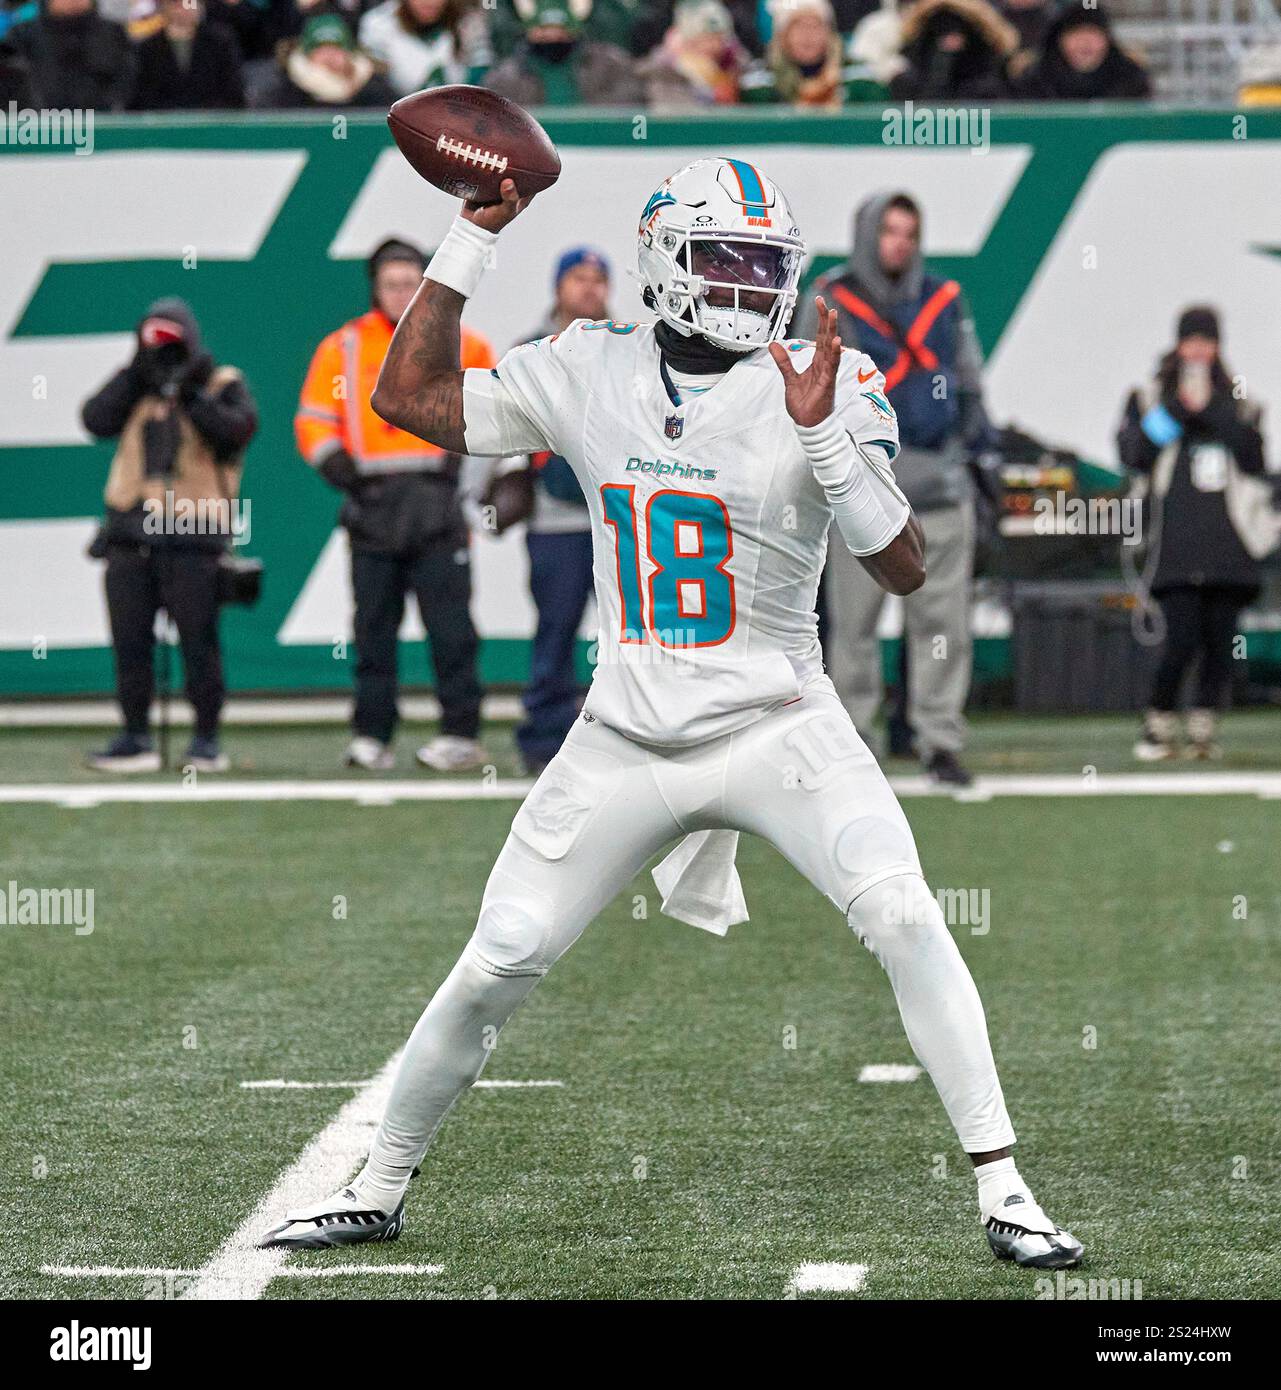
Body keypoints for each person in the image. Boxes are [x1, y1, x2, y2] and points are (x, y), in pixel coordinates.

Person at [261, 158, 1083, 1273]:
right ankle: (379, 1181)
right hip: (626, 731)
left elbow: (899, 563)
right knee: (500, 952)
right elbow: (409, 402)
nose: (753, 285)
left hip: (777, 717)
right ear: (664, 262)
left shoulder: (824, 376)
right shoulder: (588, 366)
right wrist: (469, 239)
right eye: (728, 259)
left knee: (899, 911)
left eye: (768, 264)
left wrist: (826, 435)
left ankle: (1006, 1185)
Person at [798, 192, 991, 786]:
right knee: (851, 629)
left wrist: (974, 457)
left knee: (944, 629)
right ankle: (857, 740)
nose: (900, 243)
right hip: (861, 490)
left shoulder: (944, 299)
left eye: (910, 232)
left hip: (938, 488)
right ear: (867, 234)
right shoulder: (832, 300)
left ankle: (939, 740)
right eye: (889, 231)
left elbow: (969, 388)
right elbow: (807, 390)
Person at [296, 239, 496, 772]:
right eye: (391, 284)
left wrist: (463, 466)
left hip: (438, 510)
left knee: (453, 632)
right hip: (374, 509)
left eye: (411, 283)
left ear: (425, 286)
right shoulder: (342, 348)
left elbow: (498, 411)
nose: (401, 292)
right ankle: (371, 736)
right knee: (373, 634)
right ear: (375, 288)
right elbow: (313, 418)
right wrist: (338, 468)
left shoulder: (463, 343)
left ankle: (460, 734)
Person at [82, 299, 257, 773]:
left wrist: (189, 389)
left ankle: (205, 738)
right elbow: (94, 420)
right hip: (130, 535)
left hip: (193, 536)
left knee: (199, 642)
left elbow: (236, 432)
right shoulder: (137, 388)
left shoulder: (223, 383)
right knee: (131, 642)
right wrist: (138, 374)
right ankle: (136, 735)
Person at [1119, 307, 1272, 761]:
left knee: (1221, 641)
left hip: (1228, 541)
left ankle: (1205, 725)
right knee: (1181, 637)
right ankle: (1159, 721)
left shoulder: (1241, 402)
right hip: (1177, 541)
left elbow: (1254, 457)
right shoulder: (1151, 396)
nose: (1199, 349)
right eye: (1192, 340)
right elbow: (1135, 453)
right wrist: (1179, 410)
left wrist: (1215, 412)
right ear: (1179, 344)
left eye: (1208, 341)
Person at [511, 246, 610, 774]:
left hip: (621, 520)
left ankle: (627, 734)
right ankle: (543, 736)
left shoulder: (630, 348)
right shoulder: (529, 351)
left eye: (598, 279)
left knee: (633, 635)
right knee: (556, 628)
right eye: (579, 277)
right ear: (557, 286)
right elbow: (493, 427)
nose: (590, 288)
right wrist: (477, 495)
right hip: (556, 518)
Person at [483, 0, 644, 105]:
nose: (552, 36)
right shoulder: (504, 77)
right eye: (544, 30)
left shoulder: (611, 65)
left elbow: (630, 103)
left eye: (560, 30)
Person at [740, 0, 878, 106]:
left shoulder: (857, 75)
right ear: (782, 37)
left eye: (816, 26)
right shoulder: (761, 79)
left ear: (829, 34)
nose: (808, 35)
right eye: (798, 27)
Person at [251, 10, 397, 108]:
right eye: (321, 49)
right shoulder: (285, 94)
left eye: (337, 48)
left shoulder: (374, 91)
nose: (330, 56)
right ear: (307, 54)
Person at [8, 0, 135, 109]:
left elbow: (127, 80)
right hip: (40, 126)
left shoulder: (113, 34)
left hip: (102, 125)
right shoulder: (23, 36)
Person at [1012, 2, 1149, 101]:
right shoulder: (1035, 82)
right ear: (1059, 40)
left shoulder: (1130, 80)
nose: (1085, 42)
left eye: (1093, 33)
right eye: (1076, 33)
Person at [887, 0, 1015, 101]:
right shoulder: (925, 17)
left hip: (974, 81)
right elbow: (909, 42)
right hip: (926, 82)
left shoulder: (981, 19)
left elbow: (1001, 42)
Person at [129, 0, 245, 110]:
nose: (183, 8)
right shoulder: (149, 47)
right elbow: (142, 94)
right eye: (176, 3)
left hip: (212, 121)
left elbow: (232, 90)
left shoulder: (220, 42)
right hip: (163, 121)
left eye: (189, 3)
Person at [357, 0, 490, 96]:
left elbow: (482, 71)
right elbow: (375, 84)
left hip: (459, 118)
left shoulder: (468, 21)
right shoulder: (377, 25)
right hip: (396, 118)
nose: (429, 2)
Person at [638, 0, 747, 108]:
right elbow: (677, 114)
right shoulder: (663, 71)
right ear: (686, 41)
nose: (713, 46)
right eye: (705, 39)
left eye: (719, 39)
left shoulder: (734, 65)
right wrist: (713, 96)